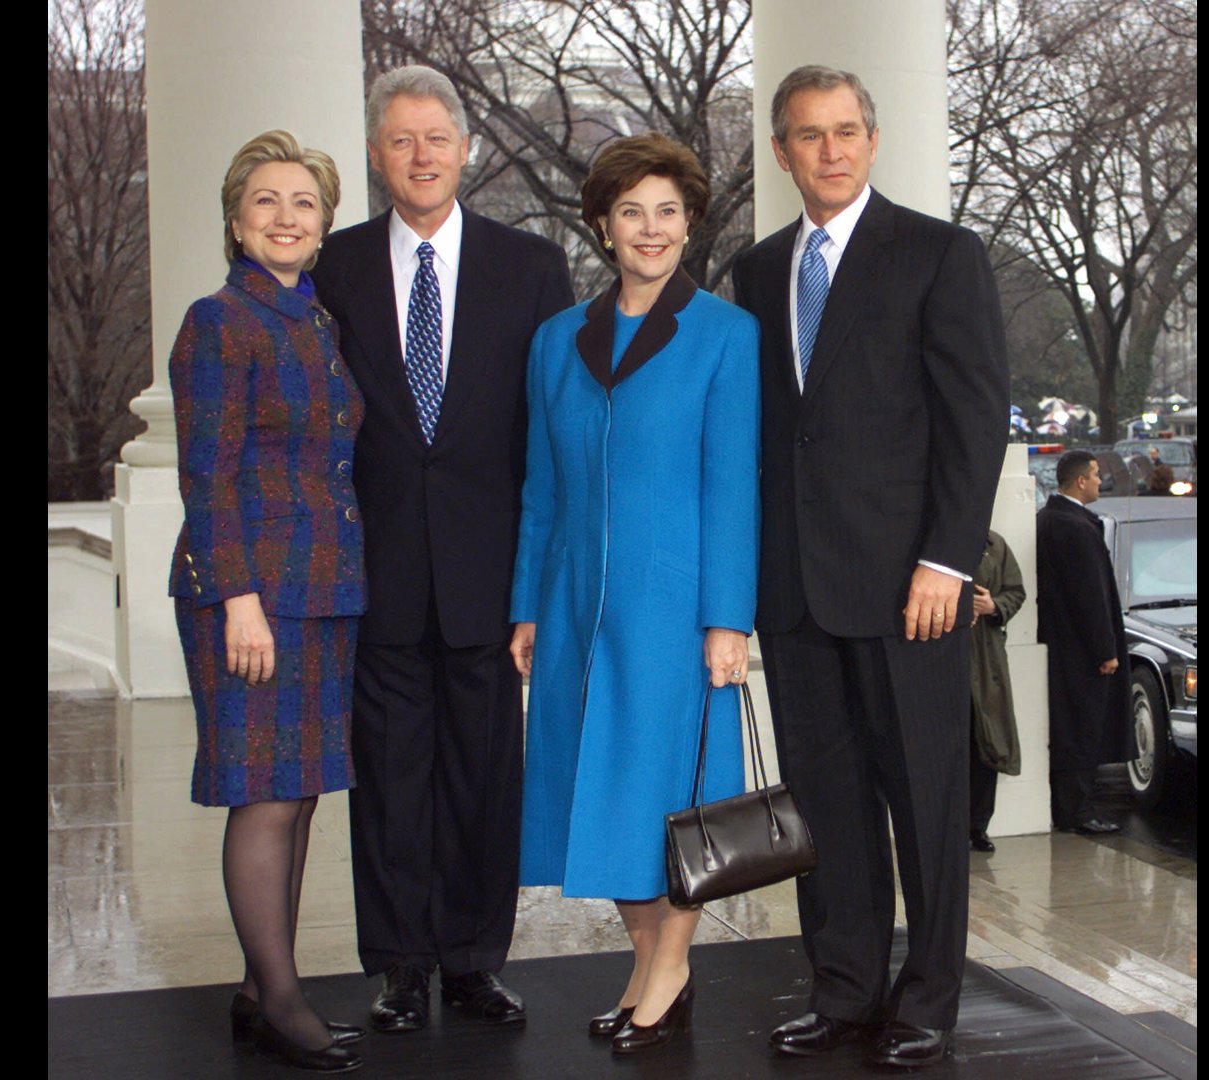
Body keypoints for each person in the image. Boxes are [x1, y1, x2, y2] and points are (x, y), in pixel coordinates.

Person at [730, 66, 1009, 1069]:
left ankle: (927, 1000)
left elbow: (976, 420)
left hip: (908, 592)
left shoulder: (939, 254)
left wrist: (947, 559)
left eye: (847, 130)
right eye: (810, 135)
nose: (832, 150)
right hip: (796, 594)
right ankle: (844, 990)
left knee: (926, 805)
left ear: (873, 140)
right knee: (828, 808)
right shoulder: (757, 271)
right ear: (782, 152)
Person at [309, 65, 574, 1033]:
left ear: (467, 148)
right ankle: (397, 966)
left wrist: (539, 584)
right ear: (375, 156)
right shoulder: (332, 267)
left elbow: (551, 434)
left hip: (489, 573)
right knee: (388, 778)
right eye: (400, 140)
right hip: (372, 569)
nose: (420, 156)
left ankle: (471, 961)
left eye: (436, 138)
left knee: (482, 776)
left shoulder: (531, 266)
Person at [508, 131, 760, 1056]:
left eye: (667, 212)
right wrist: (528, 604)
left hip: (675, 614)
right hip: (576, 606)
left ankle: (668, 971)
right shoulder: (555, 341)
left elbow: (733, 488)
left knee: (672, 797)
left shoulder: (727, 336)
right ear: (602, 227)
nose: (650, 229)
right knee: (602, 790)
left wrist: (728, 619)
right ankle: (653, 966)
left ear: (689, 225)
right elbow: (541, 486)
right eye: (630, 213)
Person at [166, 130, 366, 1074]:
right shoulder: (219, 321)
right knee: (264, 795)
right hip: (250, 592)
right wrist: (238, 598)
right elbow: (205, 477)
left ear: (323, 225)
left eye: (303, 203)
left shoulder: (314, 320)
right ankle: (283, 1000)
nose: (286, 218)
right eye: (266, 202)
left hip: (323, 587)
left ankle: (260, 990)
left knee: (300, 790)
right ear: (237, 222)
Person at [1035, 450, 1134, 835]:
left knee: (1068, 725)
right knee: (1083, 726)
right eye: (1095, 475)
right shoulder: (1075, 527)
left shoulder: (1048, 519)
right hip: (1080, 651)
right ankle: (1077, 811)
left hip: (1059, 644)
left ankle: (1069, 807)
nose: (1099, 481)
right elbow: (1090, 596)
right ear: (1079, 481)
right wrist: (1105, 650)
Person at [968, 530, 1026, 854]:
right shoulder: (931, 538)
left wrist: (993, 605)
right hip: (945, 655)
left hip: (986, 658)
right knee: (949, 745)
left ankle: (978, 826)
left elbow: (1015, 592)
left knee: (987, 741)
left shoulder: (994, 544)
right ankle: (948, 828)